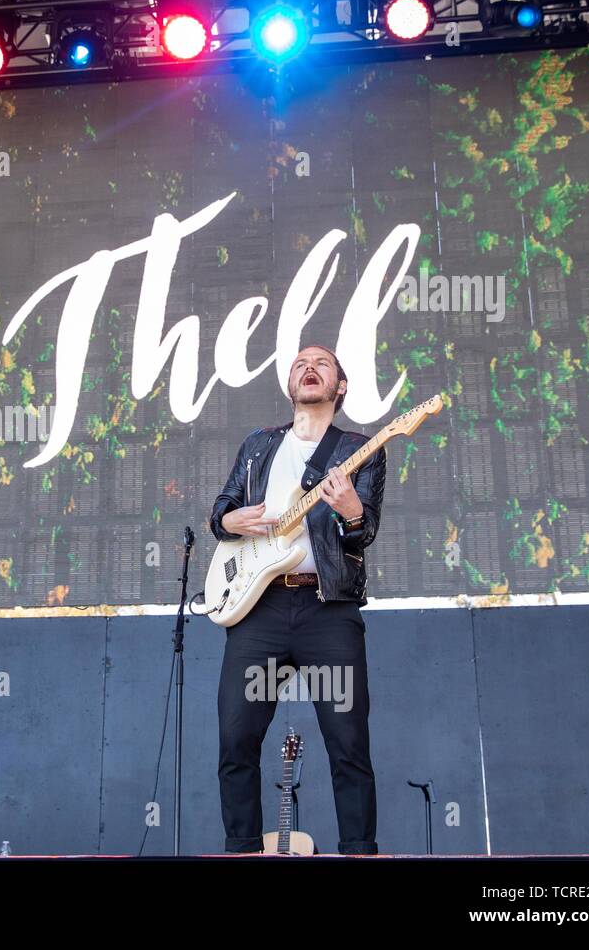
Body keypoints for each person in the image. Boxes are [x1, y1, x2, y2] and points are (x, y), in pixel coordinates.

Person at [208, 345, 385, 855]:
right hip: (259, 608)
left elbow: (362, 534)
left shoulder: (361, 449)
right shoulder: (259, 445)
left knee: (348, 743)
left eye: (323, 364)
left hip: (326, 611)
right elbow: (221, 509)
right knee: (236, 741)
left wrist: (350, 511)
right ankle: (241, 849)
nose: (310, 368)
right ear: (290, 384)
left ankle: (358, 850)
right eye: (300, 363)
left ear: (340, 388)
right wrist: (227, 521)